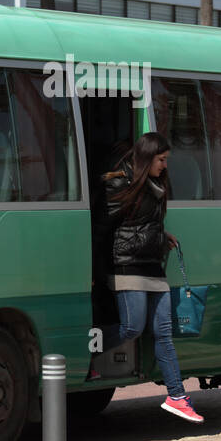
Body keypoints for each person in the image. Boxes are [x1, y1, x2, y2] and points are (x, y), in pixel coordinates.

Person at [91, 131, 203, 424]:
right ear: (147, 157)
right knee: (132, 328)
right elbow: (102, 231)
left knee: (164, 334)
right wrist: (95, 273)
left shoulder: (155, 186)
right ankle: (86, 349)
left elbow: (141, 223)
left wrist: (160, 235)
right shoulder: (119, 185)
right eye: (162, 160)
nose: (165, 166)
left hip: (153, 267)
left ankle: (177, 396)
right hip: (126, 268)